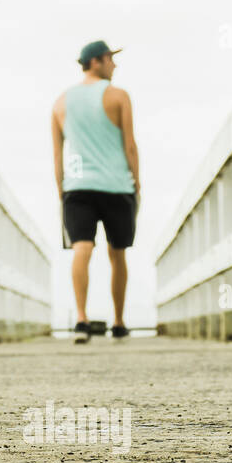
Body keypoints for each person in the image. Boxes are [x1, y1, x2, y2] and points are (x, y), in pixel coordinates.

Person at [51, 40, 140, 342]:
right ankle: (118, 322)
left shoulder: (60, 102)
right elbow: (129, 144)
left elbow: (57, 153)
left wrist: (61, 190)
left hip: (76, 187)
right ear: (96, 62)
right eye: (110, 59)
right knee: (118, 253)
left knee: (81, 248)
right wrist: (136, 183)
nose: (114, 65)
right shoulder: (119, 96)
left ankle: (81, 319)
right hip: (116, 186)